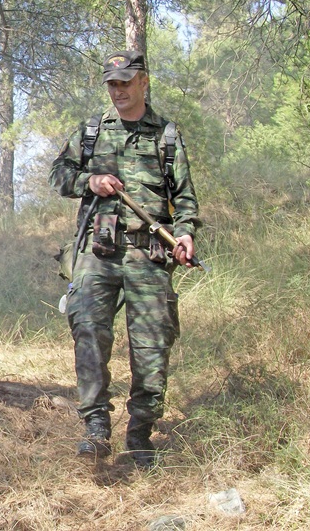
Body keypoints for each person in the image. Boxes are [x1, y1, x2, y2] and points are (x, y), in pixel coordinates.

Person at [49, 50, 201, 469]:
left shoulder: (166, 136)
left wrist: (184, 233)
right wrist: (90, 180)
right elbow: (58, 174)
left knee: (152, 347)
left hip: (149, 255)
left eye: (125, 82)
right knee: (89, 335)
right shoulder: (93, 131)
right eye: (112, 84)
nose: (118, 91)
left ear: (143, 83)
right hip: (98, 253)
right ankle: (96, 428)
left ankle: (139, 436)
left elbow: (185, 199)